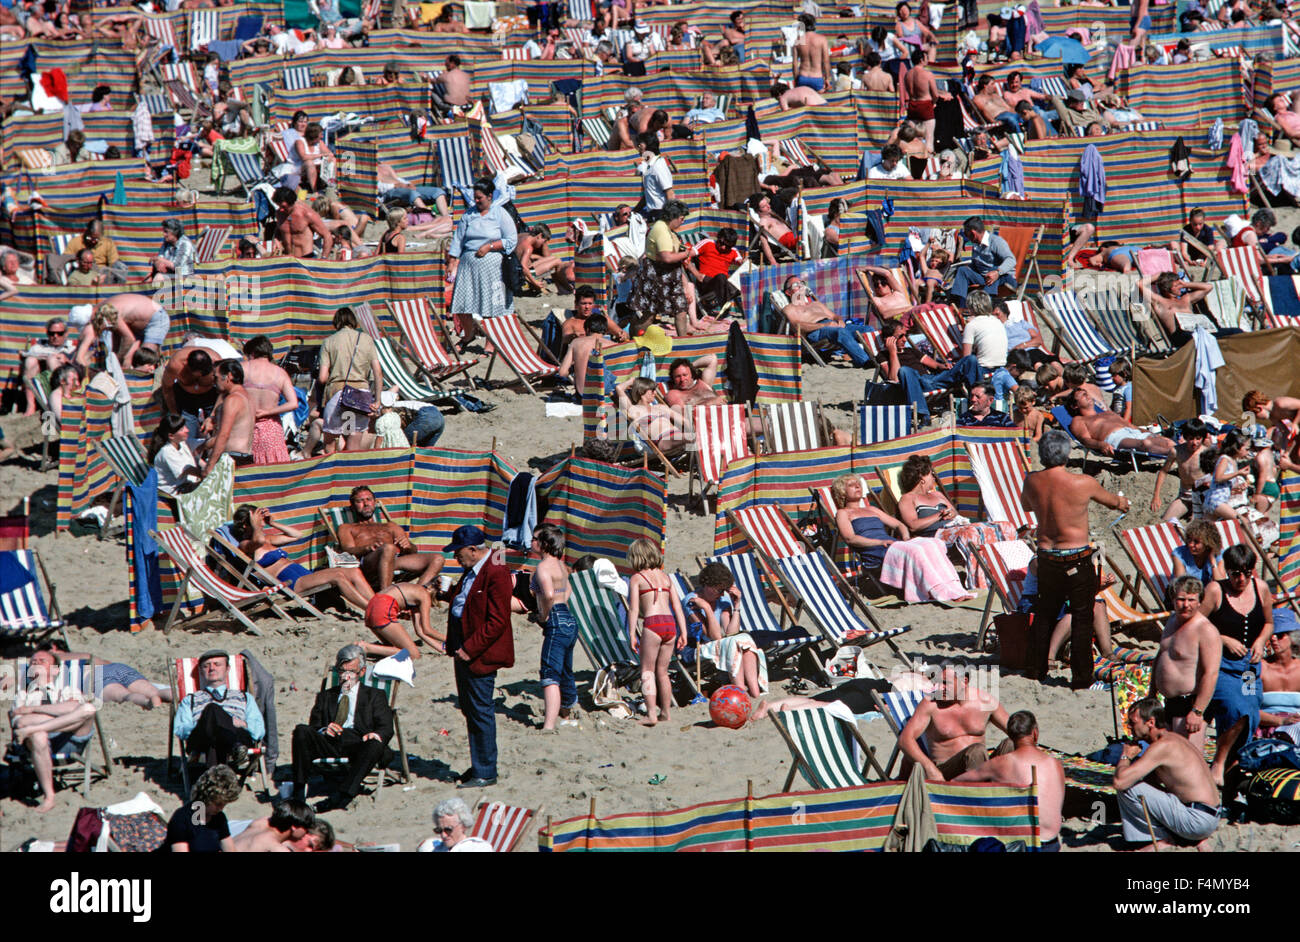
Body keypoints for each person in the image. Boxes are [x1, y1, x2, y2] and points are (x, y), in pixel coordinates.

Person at [1021, 430, 1130, 687]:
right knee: (1082, 616)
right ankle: (1081, 677)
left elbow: (1027, 506)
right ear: (1066, 454)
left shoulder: (1032, 481)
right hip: (1077, 558)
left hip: (1047, 557)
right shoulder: (1082, 483)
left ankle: (1035, 670)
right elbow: (1114, 503)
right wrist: (1124, 502)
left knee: (1045, 613)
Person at [442, 525, 514, 788]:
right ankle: (479, 766)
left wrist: (469, 649)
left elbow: (497, 621)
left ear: (473, 549)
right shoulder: (473, 570)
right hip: (464, 645)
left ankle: (486, 771)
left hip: (478, 651)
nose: (455, 558)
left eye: (458, 552)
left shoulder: (496, 571)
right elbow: (467, 601)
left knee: (480, 710)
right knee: (470, 709)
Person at [289, 644, 395, 812]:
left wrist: (374, 734)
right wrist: (323, 730)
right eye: (341, 671)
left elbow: (386, 727)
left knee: (375, 744)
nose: (346, 677)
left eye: (351, 672)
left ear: (361, 672)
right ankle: (299, 791)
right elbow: (313, 725)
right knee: (301, 730)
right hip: (330, 742)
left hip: (359, 743)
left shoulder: (374, 696)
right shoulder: (326, 696)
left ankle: (342, 796)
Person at [1201, 543, 1274, 786]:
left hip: (1248, 666)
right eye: (1235, 574)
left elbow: (1268, 623)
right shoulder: (1216, 590)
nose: (1241, 579)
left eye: (1246, 573)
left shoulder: (1260, 588)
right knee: (1235, 708)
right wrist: (1223, 639)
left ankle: (1230, 766)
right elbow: (1197, 625)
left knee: (1251, 711)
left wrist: (1261, 641)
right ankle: (1220, 762)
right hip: (1220, 664)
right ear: (1227, 571)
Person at [1114, 699, 1221, 850]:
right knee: (1139, 784)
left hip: (1197, 820)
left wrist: (1125, 756)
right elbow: (1150, 782)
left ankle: (1160, 839)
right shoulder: (1173, 739)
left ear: (1150, 722)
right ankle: (1186, 838)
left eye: (1133, 722)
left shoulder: (1162, 747)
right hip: (1208, 816)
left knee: (1127, 787)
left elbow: (1120, 782)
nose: (1129, 727)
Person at [955, 710, 1065, 849]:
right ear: (1035, 733)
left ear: (1011, 736)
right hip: (1051, 844)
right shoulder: (1055, 764)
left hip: (1019, 845)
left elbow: (956, 783)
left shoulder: (1000, 764)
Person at [8, 647, 98, 813]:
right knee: (38, 735)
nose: (36, 663)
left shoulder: (67, 690)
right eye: (33, 661)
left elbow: (78, 708)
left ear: (56, 670)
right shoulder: (22, 695)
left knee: (88, 709)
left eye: (42, 661)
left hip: (70, 741)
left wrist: (33, 710)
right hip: (37, 746)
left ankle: (38, 728)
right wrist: (62, 715)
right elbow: (21, 723)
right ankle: (49, 797)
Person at [233, 504, 374, 610]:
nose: (260, 519)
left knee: (354, 571)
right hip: (292, 582)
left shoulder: (268, 539)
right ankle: (370, 609)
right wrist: (256, 526)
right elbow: (258, 541)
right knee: (338, 576)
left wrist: (272, 523)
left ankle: (378, 604)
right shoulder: (245, 545)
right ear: (246, 524)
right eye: (256, 517)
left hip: (303, 574)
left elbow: (296, 535)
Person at [900, 665, 1010, 780]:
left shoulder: (985, 701)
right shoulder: (931, 704)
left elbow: (1018, 733)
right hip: (946, 771)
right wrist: (930, 769)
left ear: (964, 681)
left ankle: (1011, 792)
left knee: (1011, 743)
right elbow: (904, 740)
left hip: (981, 766)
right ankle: (980, 795)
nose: (939, 687)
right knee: (976, 751)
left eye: (945, 683)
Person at [1152, 576, 1222, 754]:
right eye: (1181, 599)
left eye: (1191, 600)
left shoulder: (1205, 630)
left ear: (1199, 602)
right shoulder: (1171, 621)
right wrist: (1151, 693)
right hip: (1168, 702)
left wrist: (1197, 712)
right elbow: (1161, 656)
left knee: (1187, 758)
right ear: (1173, 600)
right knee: (1167, 758)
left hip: (1189, 702)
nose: (1186, 605)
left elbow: (1211, 673)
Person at [448, 180, 518, 349]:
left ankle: (490, 343)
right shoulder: (468, 215)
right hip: (468, 264)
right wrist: (452, 261)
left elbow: (511, 240)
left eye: (480, 198)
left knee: (490, 306)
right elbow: (458, 239)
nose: (476, 201)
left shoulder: (499, 214)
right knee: (462, 304)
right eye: (475, 198)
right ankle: (469, 334)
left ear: (489, 196)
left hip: (492, 264)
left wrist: (490, 246)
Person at [873, 321, 983, 425]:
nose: (905, 339)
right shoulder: (882, 355)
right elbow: (894, 379)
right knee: (904, 370)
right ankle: (923, 414)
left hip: (932, 380)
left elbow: (935, 365)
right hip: (916, 384)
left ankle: (980, 403)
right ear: (888, 339)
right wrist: (893, 352)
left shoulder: (911, 351)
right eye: (900, 336)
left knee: (970, 359)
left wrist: (944, 366)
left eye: (905, 335)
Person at [627, 537, 687, 727]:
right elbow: (677, 607)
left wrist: (631, 633)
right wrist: (683, 632)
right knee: (663, 672)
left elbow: (634, 610)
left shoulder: (637, 579)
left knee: (647, 671)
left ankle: (651, 714)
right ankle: (666, 712)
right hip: (670, 623)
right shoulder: (666, 577)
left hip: (652, 623)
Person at [172, 650, 266, 770]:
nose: (212, 668)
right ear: (201, 671)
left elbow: (259, 730)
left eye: (217, 664)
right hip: (201, 740)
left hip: (236, 736)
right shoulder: (189, 700)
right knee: (212, 710)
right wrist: (204, 724)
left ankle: (214, 780)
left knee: (215, 739)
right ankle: (235, 748)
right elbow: (181, 730)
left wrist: (243, 724)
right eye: (206, 666)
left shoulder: (244, 697)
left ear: (227, 669)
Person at [337, 485, 445, 590]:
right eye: (360, 501)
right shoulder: (347, 528)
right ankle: (386, 597)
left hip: (393, 561)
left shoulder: (390, 526)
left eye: (369, 499)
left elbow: (413, 551)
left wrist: (408, 546)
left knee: (437, 559)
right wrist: (367, 548)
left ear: (374, 502)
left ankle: (418, 592)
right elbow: (347, 549)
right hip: (368, 563)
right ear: (352, 506)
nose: (366, 504)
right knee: (388, 548)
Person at [628, 200, 704, 337]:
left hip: (671, 276)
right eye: (681, 219)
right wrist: (686, 253)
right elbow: (667, 257)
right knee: (650, 314)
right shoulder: (660, 229)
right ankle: (635, 339)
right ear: (673, 217)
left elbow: (674, 261)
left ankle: (682, 342)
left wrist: (685, 283)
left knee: (681, 310)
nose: (682, 222)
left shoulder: (669, 230)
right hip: (657, 276)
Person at [530, 524, 578, 731]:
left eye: (534, 539)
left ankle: (549, 725)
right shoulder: (561, 565)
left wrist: (544, 614)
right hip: (568, 616)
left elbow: (548, 594)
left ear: (543, 544)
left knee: (550, 672)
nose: (531, 542)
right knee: (566, 669)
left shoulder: (543, 567)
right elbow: (566, 590)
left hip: (555, 618)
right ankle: (566, 710)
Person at [316, 307, 382, 455]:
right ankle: (350, 475)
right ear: (353, 321)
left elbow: (322, 378)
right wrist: (377, 401)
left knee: (330, 445)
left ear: (336, 322)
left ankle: (331, 474)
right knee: (352, 445)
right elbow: (378, 372)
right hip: (358, 399)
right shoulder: (366, 339)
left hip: (338, 395)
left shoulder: (329, 342)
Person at [780, 274, 874, 368]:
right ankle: (865, 362)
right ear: (788, 292)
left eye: (802, 283)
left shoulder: (816, 304)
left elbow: (834, 316)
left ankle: (878, 358)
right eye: (796, 285)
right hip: (815, 331)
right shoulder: (789, 309)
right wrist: (825, 325)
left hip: (833, 325)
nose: (800, 285)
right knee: (840, 332)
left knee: (868, 329)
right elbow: (797, 327)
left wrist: (839, 320)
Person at [1065, 386, 1175, 457]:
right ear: (1075, 405)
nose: (1088, 396)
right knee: (1145, 443)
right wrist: (1101, 445)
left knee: (1167, 441)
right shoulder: (1078, 420)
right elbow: (1085, 440)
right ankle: (1176, 455)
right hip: (1115, 438)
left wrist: (1152, 434)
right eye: (1083, 396)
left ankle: (1182, 453)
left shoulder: (1108, 413)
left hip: (1132, 432)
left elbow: (1132, 426)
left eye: (1087, 393)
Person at [239, 337, 296, 465]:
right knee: (274, 471)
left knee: (246, 469)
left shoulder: (242, 368)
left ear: (251, 353)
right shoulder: (280, 373)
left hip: (245, 427)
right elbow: (293, 403)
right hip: (271, 429)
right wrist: (267, 412)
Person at [162, 764, 240, 852]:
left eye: (224, 804)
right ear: (206, 796)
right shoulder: (182, 819)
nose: (221, 808)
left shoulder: (219, 818)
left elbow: (230, 849)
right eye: (218, 804)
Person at [159, 344, 219, 442]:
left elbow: (224, 391)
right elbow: (167, 389)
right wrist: (174, 412)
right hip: (186, 398)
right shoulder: (176, 365)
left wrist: (212, 415)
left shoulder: (216, 362)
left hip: (211, 396)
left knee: (217, 432)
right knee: (187, 436)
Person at [203, 360, 255, 472]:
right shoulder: (247, 396)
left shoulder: (233, 399)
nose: (214, 382)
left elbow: (224, 435)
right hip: (245, 457)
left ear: (229, 376)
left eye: (216, 377)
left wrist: (210, 465)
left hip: (232, 459)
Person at [618, 375, 688, 457]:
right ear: (641, 391)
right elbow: (619, 388)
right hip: (664, 441)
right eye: (652, 390)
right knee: (695, 437)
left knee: (698, 434)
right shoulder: (634, 410)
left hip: (679, 436)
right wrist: (631, 381)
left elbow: (684, 421)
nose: (655, 393)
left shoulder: (661, 407)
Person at [95, 294, 170, 369]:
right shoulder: (105, 313)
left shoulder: (109, 314)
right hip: (135, 323)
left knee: (145, 359)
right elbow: (117, 341)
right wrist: (115, 360)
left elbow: (129, 339)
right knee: (127, 361)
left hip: (156, 318)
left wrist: (117, 360)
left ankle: (145, 379)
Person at [951, 216, 1017, 301]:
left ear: (973, 233)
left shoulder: (996, 242)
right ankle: (959, 306)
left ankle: (986, 304)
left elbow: (1011, 260)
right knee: (962, 270)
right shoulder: (976, 245)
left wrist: (997, 272)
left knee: (992, 271)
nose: (967, 237)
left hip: (1004, 278)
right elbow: (976, 265)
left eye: (967, 234)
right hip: (984, 278)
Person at [1138, 272, 1213, 345]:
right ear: (1167, 288)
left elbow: (1209, 287)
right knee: (1199, 337)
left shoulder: (1186, 299)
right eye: (1177, 285)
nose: (1180, 287)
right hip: (1180, 336)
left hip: (1197, 332)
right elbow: (1140, 284)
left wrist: (1186, 284)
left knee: (1223, 333)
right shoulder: (1159, 301)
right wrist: (1160, 275)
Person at [21, 318, 75, 416]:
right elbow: (25, 355)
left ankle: (57, 402)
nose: (55, 336)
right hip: (40, 378)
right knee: (30, 360)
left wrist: (67, 360)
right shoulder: (39, 347)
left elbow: (78, 367)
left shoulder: (71, 349)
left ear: (66, 333)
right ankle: (31, 405)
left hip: (62, 382)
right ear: (47, 333)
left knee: (52, 360)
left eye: (60, 333)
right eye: (51, 333)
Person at [685, 226, 742, 313]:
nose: (723, 248)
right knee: (721, 277)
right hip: (706, 283)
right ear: (718, 238)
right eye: (722, 243)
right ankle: (725, 307)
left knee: (739, 281)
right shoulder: (708, 243)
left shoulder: (733, 251)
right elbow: (686, 255)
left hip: (721, 286)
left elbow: (744, 264)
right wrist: (697, 275)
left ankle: (725, 300)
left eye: (727, 246)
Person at [902, 48, 948, 151]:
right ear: (922, 60)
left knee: (911, 137)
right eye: (926, 58)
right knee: (929, 138)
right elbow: (935, 94)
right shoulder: (927, 74)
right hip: (925, 104)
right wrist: (934, 103)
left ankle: (911, 155)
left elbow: (908, 91)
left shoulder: (908, 74)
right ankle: (928, 161)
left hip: (912, 105)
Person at [1202, 431, 1254, 521]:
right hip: (1216, 500)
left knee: (1207, 530)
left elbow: (1225, 485)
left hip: (1218, 500)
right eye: (1246, 449)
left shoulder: (1233, 461)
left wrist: (1238, 487)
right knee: (1243, 521)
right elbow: (1218, 478)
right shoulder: (1224, 459)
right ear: (1237, 448)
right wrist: (1238, 473)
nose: (1248, 452)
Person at [230, 800, 320, 851]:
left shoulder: (261, 822)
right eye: (306, 829)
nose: (306, 834)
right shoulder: (276, 848)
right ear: (294, 827)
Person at [149, 413, 202, 499]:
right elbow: (186, 470)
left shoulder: (182, 443)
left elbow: (205, 444)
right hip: (172, 492)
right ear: (171, 436)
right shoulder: (167, 451)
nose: (187, 430)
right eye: (182, 429)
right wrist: (204, 474)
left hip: (184, 486)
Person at [416, 797, 494, 851]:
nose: (443, 835)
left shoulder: (479, 848)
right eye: (439, 830)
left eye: (448, 830)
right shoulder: (437, 848)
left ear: (463, 826)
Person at [1171, 520, 1225, 588]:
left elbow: (1221, 584)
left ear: (1208, 543)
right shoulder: (1179, 554)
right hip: (1185, 595)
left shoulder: (1218, 554)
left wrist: (1212, 559)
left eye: (1196, 542)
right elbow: (1181, 586)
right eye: (1189, 540)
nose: (1190, 544)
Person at [792, 13, 831, 92]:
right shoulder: (822, 39)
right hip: (816, 77)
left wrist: (796, 79)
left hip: (803, 77)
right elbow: (826, 61)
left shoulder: (798, 40)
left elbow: (794, 64)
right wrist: (827, 78)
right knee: (819, 103)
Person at [150, 219, 196, 283]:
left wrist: (159, 260)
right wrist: (157, 263)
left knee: (159, 278)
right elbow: (159, 258)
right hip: (171, 274)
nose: (164, 234)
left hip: (185, 277)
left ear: (175, 232)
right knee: (152, 276)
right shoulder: (167, 243)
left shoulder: (185, 244)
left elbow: (176, 266)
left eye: (166, 232)